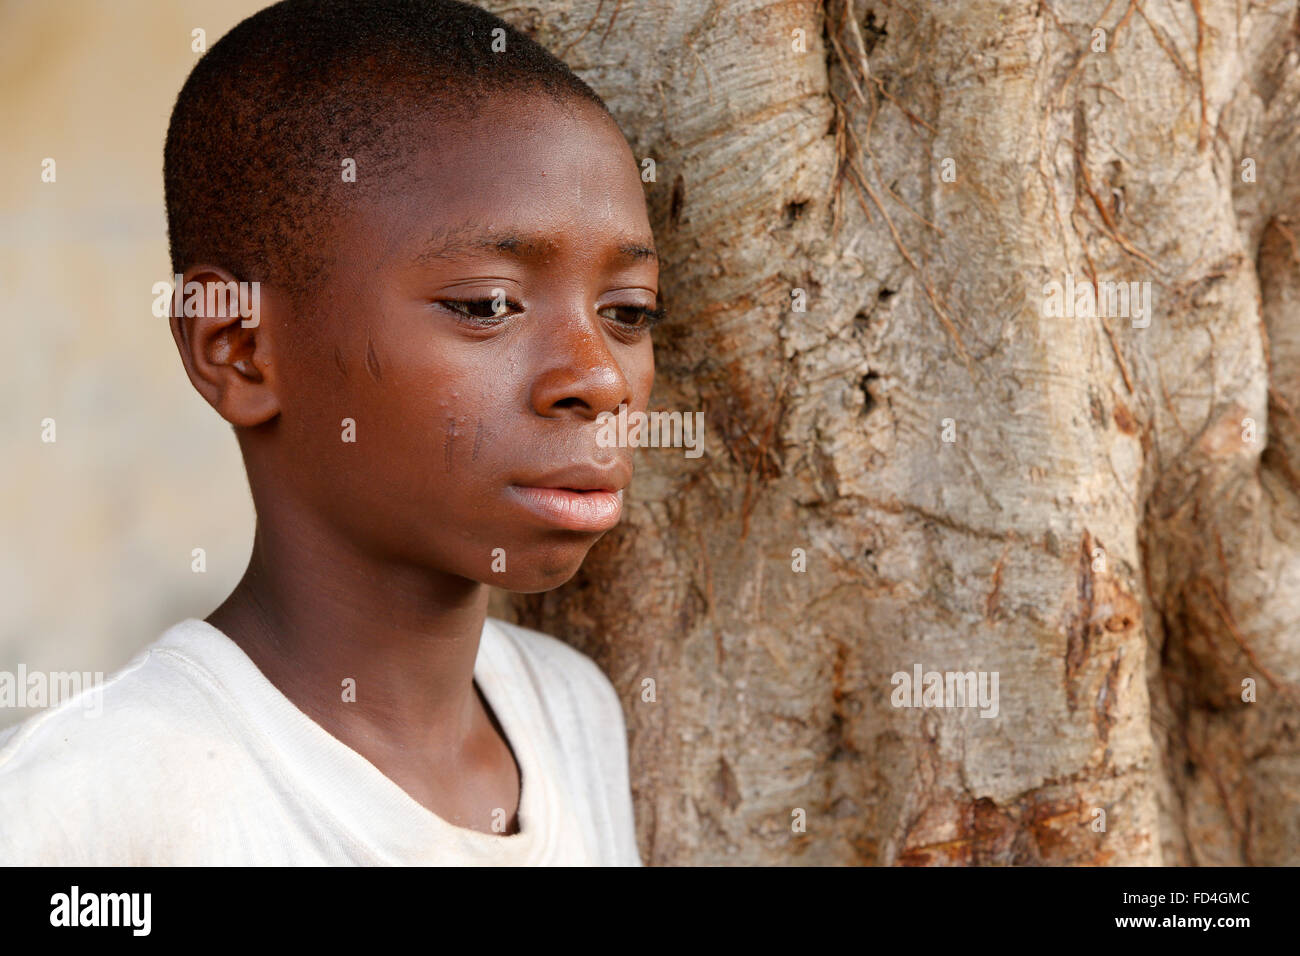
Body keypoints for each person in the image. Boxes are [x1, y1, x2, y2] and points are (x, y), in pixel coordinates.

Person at [0, 0, 661, 865]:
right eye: (487, 305)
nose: (601, 378)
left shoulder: (572, 715)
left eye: (629, 311)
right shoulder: (92, 806)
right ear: (239, 351)